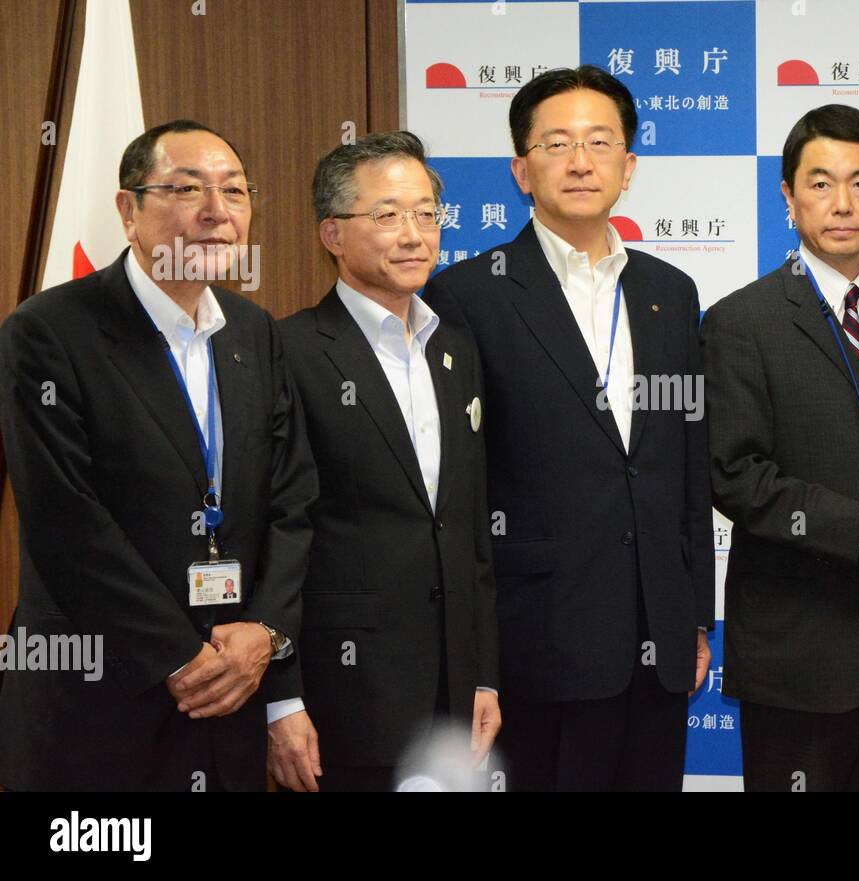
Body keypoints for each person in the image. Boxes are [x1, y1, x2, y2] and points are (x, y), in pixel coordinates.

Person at [0, 119, 316, 791]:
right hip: (98, 700)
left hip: (231, 690)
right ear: (128, 210)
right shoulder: (48, 332)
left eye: (234, 190)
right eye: (185, 188)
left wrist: (262, 631)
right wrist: (180, 655)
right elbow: (66, 521)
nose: (216, 210)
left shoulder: (252, 333)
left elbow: (292, 501)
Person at [426, 65, 713, 791]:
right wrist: (477, 659)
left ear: (629, 164)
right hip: (539, 643)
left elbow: (687, 464)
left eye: (599, 142)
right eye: (557, 144)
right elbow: (456, 487)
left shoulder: (669, 292)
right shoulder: (464, 294)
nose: (580, 161)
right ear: (521, 169)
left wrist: (697, 618)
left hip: (659, 640)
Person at [701, 105, 859, 791]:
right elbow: (734, 475)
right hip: (798, 647)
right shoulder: (740, 322)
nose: (842, 203)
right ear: (787, 195)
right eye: (820, 183)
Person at [270, 131, 499, 792]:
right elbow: (275, 538)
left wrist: (482, 672)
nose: (414, 234)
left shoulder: (455, 349)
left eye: (427, 213)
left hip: (453, 696)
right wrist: (282, 699)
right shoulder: (290, 351)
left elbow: (471, 528)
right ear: (333, 234)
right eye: (388, 215)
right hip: (344, 694)